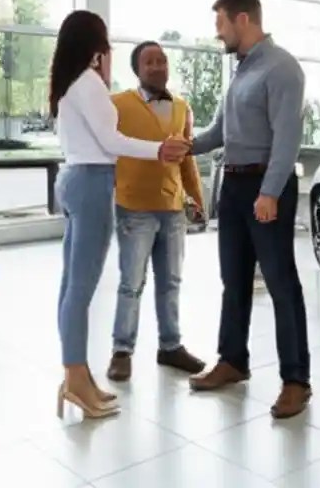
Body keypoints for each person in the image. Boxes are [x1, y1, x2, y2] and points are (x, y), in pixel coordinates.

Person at [49, 11, 190, 420]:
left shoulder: (68, 82)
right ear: (97, 44)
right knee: (81, 290)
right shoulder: (89, 83)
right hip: (92, 183)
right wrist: (159, 149)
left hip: (75, 179)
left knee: (70, 285)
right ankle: (76, 379)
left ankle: (77, 375)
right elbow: (110, 139)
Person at [187, 0, 312, 419]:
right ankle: (233, 361)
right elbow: (220, 131)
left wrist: (271, 192)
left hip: (264, 185)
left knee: (281, 284)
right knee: (233, 281)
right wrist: (184, 147)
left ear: (243, 20)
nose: (217, 33)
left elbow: (287, 140)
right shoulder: (240, 73)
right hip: (235, 185)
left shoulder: (282, 69)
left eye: (220, 23)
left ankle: (296, 380)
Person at [106, 41, 208, 383]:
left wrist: (197, 197)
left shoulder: (182, 107)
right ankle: (122, 350)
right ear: (137, 69)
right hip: (133, 207)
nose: (157, 66)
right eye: (149, 61)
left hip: (172, 208)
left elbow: (187, 158)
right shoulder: (117, 104)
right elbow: (106, 149)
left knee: (171, 282)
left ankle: (171, 346)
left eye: (162, 60)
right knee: (131, 283)